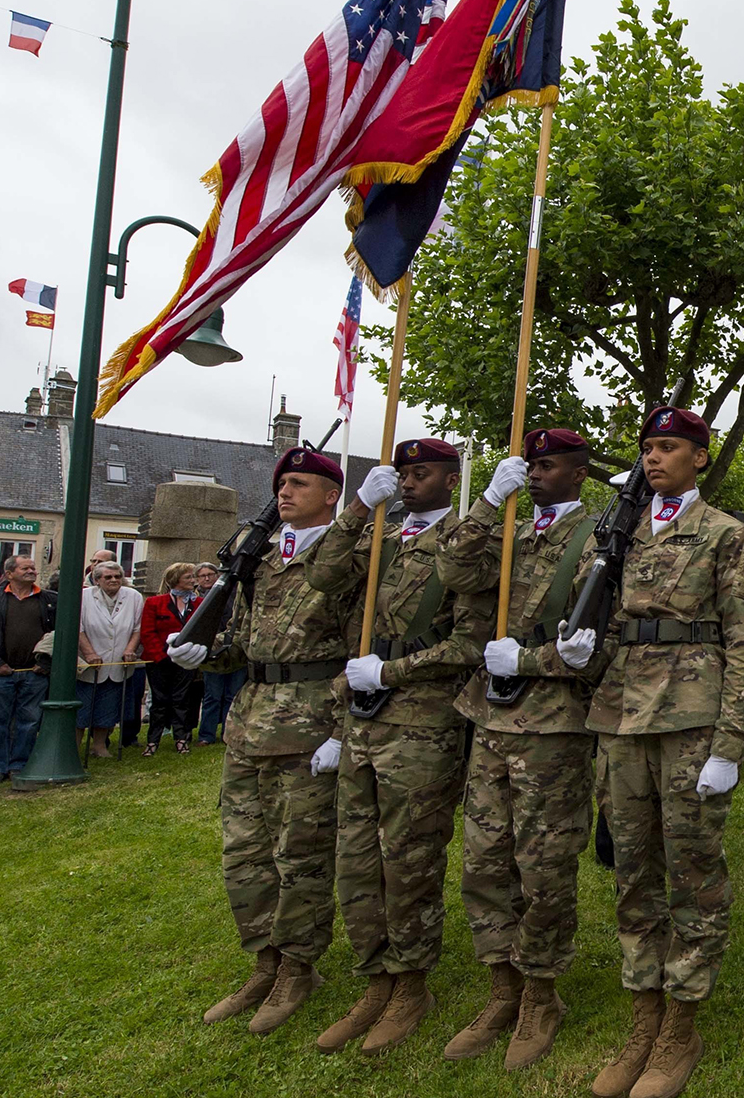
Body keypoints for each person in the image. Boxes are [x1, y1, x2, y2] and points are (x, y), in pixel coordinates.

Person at [577, 405, 744, 1098]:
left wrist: (731, 741)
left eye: (668, 447)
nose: (654, 458)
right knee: (632, 870)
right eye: (648, 448)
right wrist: (583, 649)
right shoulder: (620, 534)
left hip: (692, 719)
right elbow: (598, 621)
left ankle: (681, 1024)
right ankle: (644, 1013)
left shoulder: (726, 534)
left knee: (691, 869)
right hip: (622, 718)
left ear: (700, 455)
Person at [167, 445, 357, 1036]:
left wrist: (343, 730)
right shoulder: (263, 563)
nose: (286, 492)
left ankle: (299, 968)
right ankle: (264, 961)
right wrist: (205, 652)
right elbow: (246, 643)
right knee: (243, 855)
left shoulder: (349, 559)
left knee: (300, 856)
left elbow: (363, 648)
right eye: (283, 484)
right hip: (250, 725)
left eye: (300, 484)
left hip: (309, 726)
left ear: (332, 495)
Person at [302, 437, 482, 1055]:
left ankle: (412, 985)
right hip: (362, 723)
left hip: (422, 724)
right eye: (402, 473)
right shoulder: (381, 534)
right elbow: (322, 578)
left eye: (422, 473)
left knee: (408, 861)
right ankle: (375, 977)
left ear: (451, 481)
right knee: (356, 858)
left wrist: (392, 673)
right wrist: (356, 509)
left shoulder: (464, 541)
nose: (408, 482)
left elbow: (470, 643)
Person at [437, 427, 607, 1070]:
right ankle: (501, 989)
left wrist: (532, 661)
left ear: (578, 474)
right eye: (528, 466)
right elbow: (453, 572)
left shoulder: (595, 539)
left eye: (548, 465)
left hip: (554, 727)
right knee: (483, 863)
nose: (534, 474)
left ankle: (541, 995)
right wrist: (486, 502)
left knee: (542, 867)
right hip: (491, 718)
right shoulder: (506, 531)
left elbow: (599, 645)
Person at [0, 554, 58, 785]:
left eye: (33, 568)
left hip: (34, 673)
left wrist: (44, 664)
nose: (32, 571)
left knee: (29, 721)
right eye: (25, 568)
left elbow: (60, 634)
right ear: (9, 574)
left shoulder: (49, 600)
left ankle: (19, 765)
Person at [76, 561, 143, 759]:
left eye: (117, 576)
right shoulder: (84, 596)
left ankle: (99, 746)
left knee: (109, 705)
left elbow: (137, 628)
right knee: (82, 707)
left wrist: (130, 649)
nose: (114, 580)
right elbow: (78, 628)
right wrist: (88, 653)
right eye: (108, 577)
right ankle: (74, 746)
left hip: (117, 661)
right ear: (97, 580)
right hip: (90, 662)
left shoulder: (133, 596)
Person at [141, 562, 204, 755]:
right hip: (159, 660)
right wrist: (161, 656)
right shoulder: (154, 603)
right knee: (159, 701)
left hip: (185, 660)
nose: (193, 581)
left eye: (193, 577)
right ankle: (153, 741)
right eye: (188, 577)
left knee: (182, 699)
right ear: (175, 580)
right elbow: (147, 632)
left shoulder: (198, 603)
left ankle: (181, 738)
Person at [192, 562, 245, 746]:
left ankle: (228, 732)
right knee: (212, 696)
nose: (207, 578)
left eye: (210, 574)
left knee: (233, 694)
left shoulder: (232, 593)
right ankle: (206, 734)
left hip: (234, 648)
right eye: (202, 575)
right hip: (212, 649)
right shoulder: (196, 598)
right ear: (197, 579)